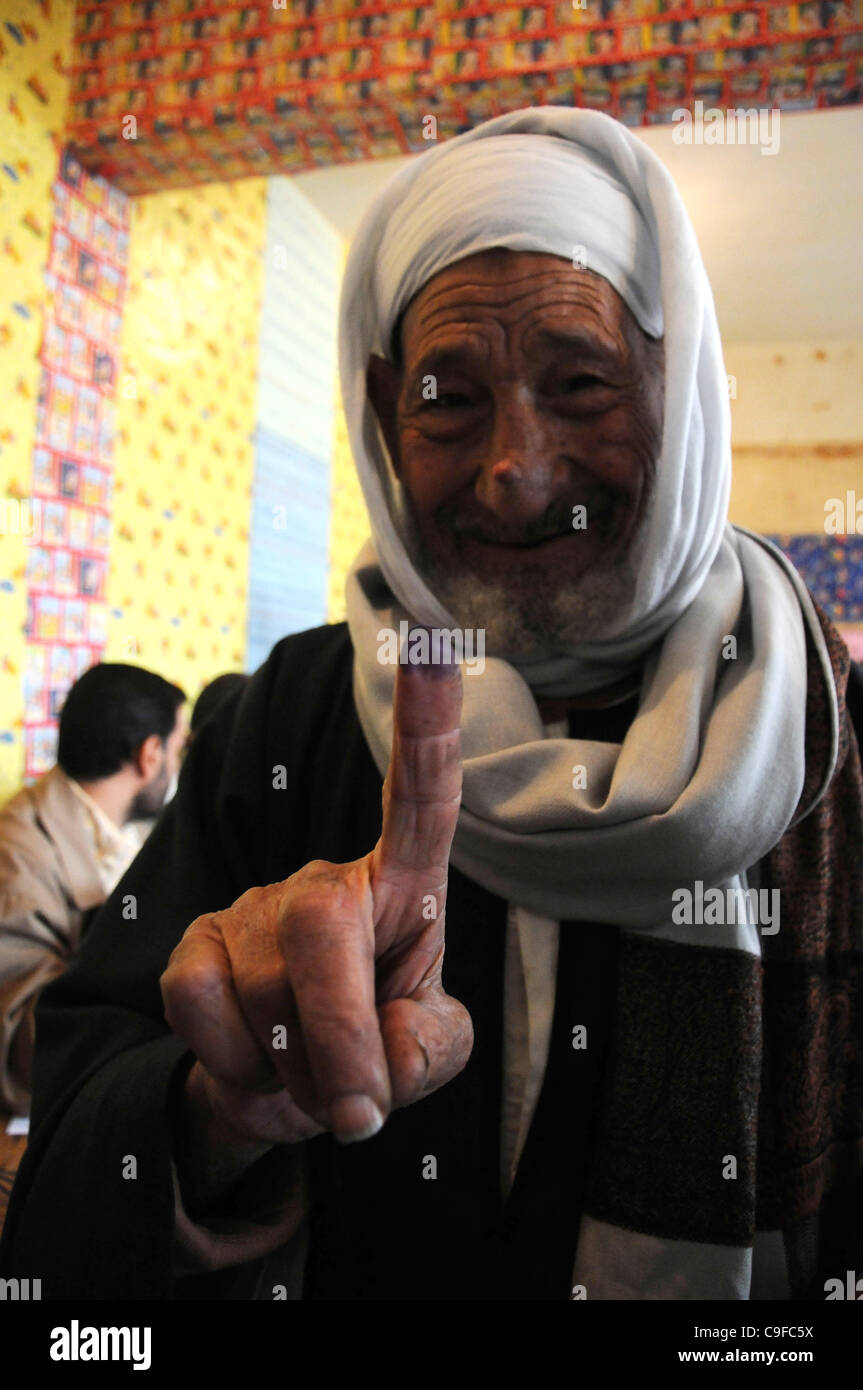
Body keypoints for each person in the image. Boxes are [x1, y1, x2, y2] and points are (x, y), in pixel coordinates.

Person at [2, 107, 862, 1301]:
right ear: (378, 410)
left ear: (674, 386)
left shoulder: (824, 721)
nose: (515, 468)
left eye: (580, 381)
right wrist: (219, 1107)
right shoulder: (293, 712)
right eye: (447, 398)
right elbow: (77, 1146)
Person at [0, 663, 187, 1114]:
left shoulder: (136, 832)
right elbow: (20, 1055)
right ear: (150, 755)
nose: (179, 767)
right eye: (179, 750)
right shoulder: (19, 853)